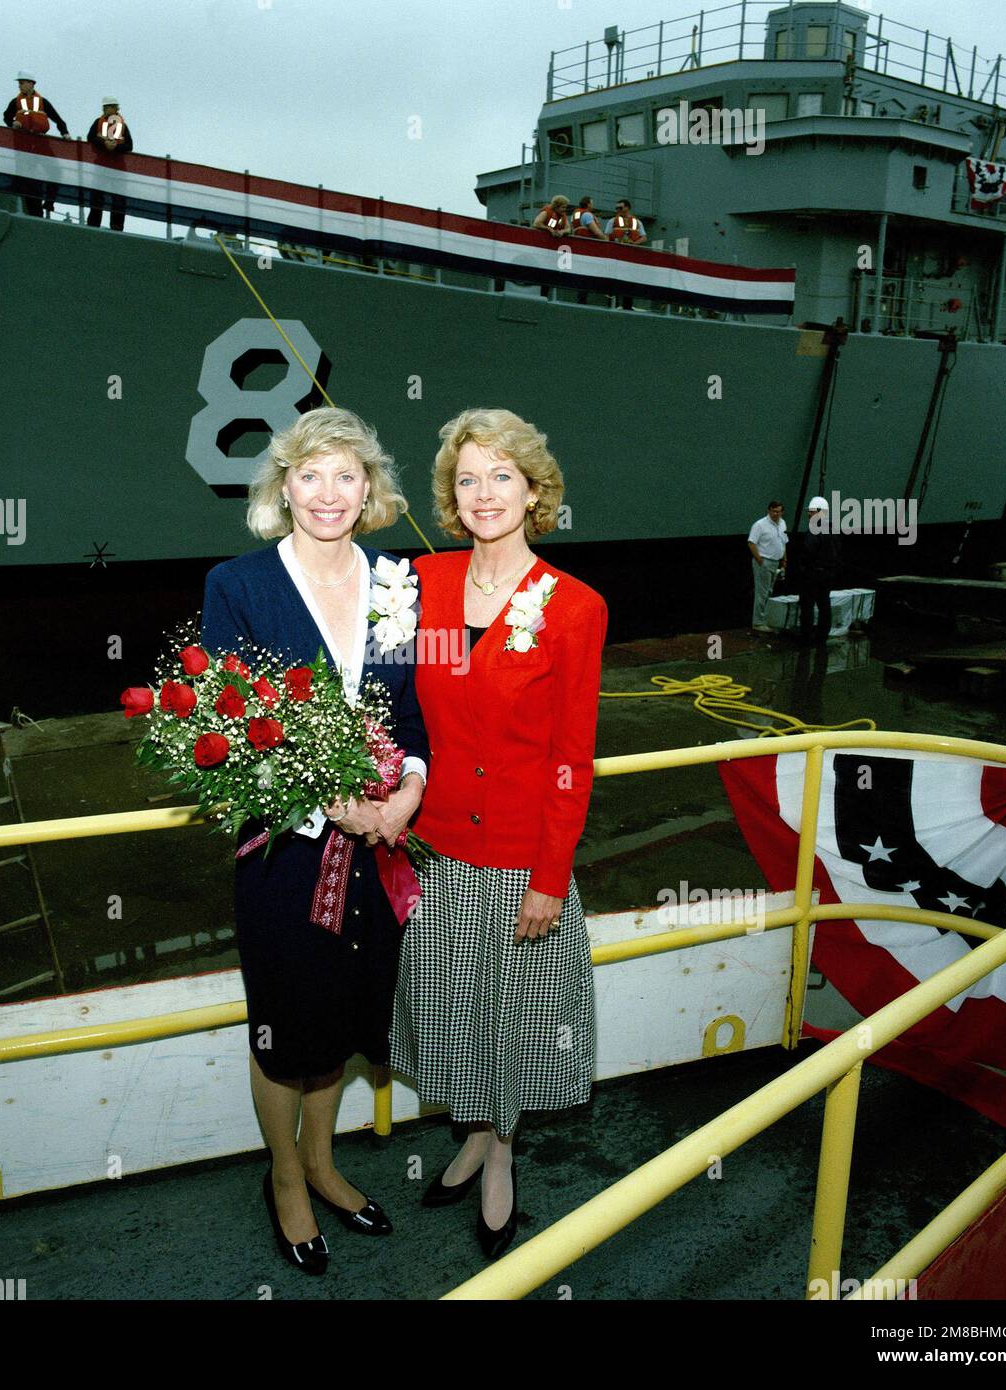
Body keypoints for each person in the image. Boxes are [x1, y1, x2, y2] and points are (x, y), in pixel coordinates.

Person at [199, 407, 428, 1276]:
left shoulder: (400, 583)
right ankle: (285, 1178)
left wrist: (406, 793)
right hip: (285, 855)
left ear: (369, 488)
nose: (328, 494)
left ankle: (326, 1164)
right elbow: (233, 726)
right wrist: (328, 804)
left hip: (380, 851)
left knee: (338, 1016)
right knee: (284, 1027)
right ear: (282, 486)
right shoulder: (239, 584)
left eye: (346, 476)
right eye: (310, 475)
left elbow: (411, 715)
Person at [389, 408, 607, 1262]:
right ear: (451, 493)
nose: (483, 494)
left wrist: (550, 875)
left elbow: (570, 757)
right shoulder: (422, 585)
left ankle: (501, 1155)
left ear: (532, 490)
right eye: (467, 478)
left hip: (520, 858)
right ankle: (474, 1130)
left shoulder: (573, 606)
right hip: (436, 850)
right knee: (453, 1010)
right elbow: (403, 709)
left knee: (511, 1017)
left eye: (501, 476)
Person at [3, 72, 69, 217]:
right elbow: (6, 116)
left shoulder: (43, 102)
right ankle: (33, 211)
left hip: (40, 142)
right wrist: (12, 122)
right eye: (19, 83)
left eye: (22, 83)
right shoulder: (15, 102)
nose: (20, 86)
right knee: (27, 178)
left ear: (31, 84)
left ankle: (49, 201)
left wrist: (64, 133)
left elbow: (58, 120)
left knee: (55, 171)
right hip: (23, 144)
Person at [795, 496, 840, 645]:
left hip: (812, 574)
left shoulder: (814, 529)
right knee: (824, 605)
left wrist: (803, 567)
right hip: (829, 573)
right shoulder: (832, 529)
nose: (808, 514)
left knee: (807, 606)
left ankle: (806, 637)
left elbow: (808, 550)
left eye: (811, 512)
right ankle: (822, 636)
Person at [86, 98, 133, 231]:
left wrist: (115, 147)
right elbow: (90, 137)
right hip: (101, 167)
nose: (105, 110)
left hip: (118, 169)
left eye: (108, 107)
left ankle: (117, 227)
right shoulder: (98, 122)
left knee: (118, 199)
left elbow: (129, 145)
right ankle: (93, 225)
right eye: (105, 108)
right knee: (97, 197)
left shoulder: (123, 126)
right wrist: (105, 144)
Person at [747, 499, 787, 633]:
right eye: (774, 511)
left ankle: (765, 619)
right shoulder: (760, 525)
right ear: (769, 510)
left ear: (782, 512)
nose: (776, 514)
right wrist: (760, 560)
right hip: (764, 561)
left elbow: (783, 542)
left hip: (776, 561)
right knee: (762, 592)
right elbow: (751, 543)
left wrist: (784, 559)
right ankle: (758, 622)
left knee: (769, 592)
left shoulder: (782, 524)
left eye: (779, 512)